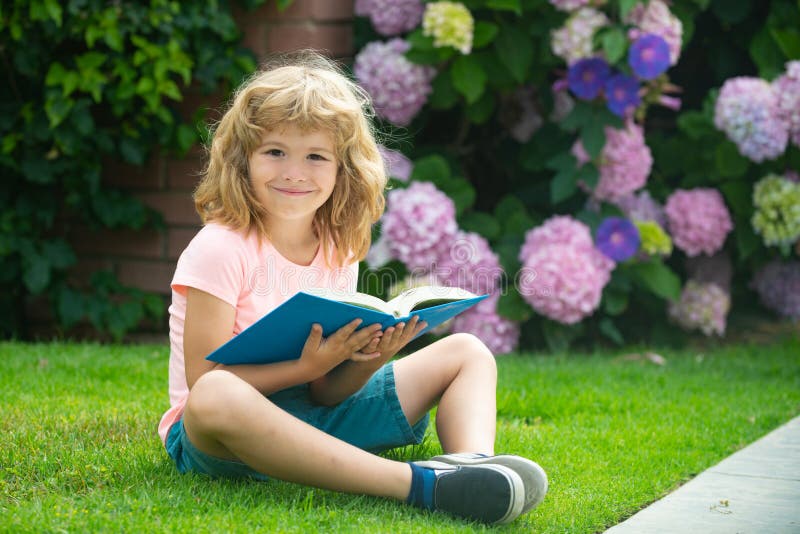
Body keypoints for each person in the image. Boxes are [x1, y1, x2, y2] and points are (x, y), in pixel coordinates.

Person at [157, 50, 548, 525]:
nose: (294, 172)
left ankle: (473, 470)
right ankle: (422, 486)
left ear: (344, 169)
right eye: (275, 151)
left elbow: (325, 393)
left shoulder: (337, 248)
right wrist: (304, 365)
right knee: (216, 396)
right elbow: (204, 382)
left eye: (316, 156)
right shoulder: (220, 247)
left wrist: (372, 356)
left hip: (311, 416)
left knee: (466, 351)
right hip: (225, 433)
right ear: (243, 160)